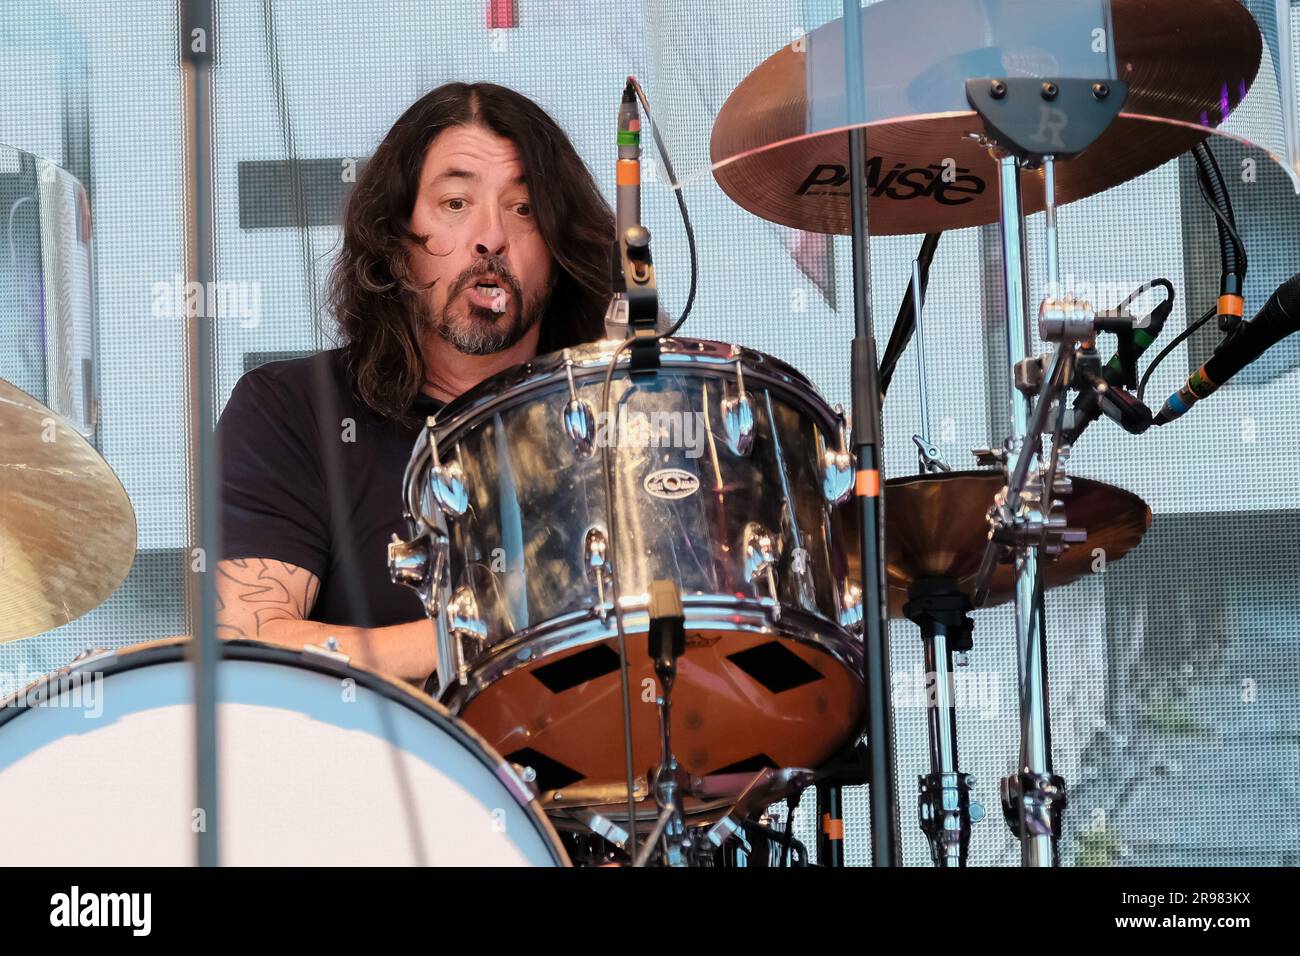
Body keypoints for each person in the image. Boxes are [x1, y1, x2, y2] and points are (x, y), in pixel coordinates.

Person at [215, 82, 614, 682]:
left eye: (524, 208)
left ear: (559, 255)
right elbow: (247, 645)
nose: (492, 236)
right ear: (396, 244)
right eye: (456, 203)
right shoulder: (291, 412)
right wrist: (498, 639)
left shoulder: (612, 420)